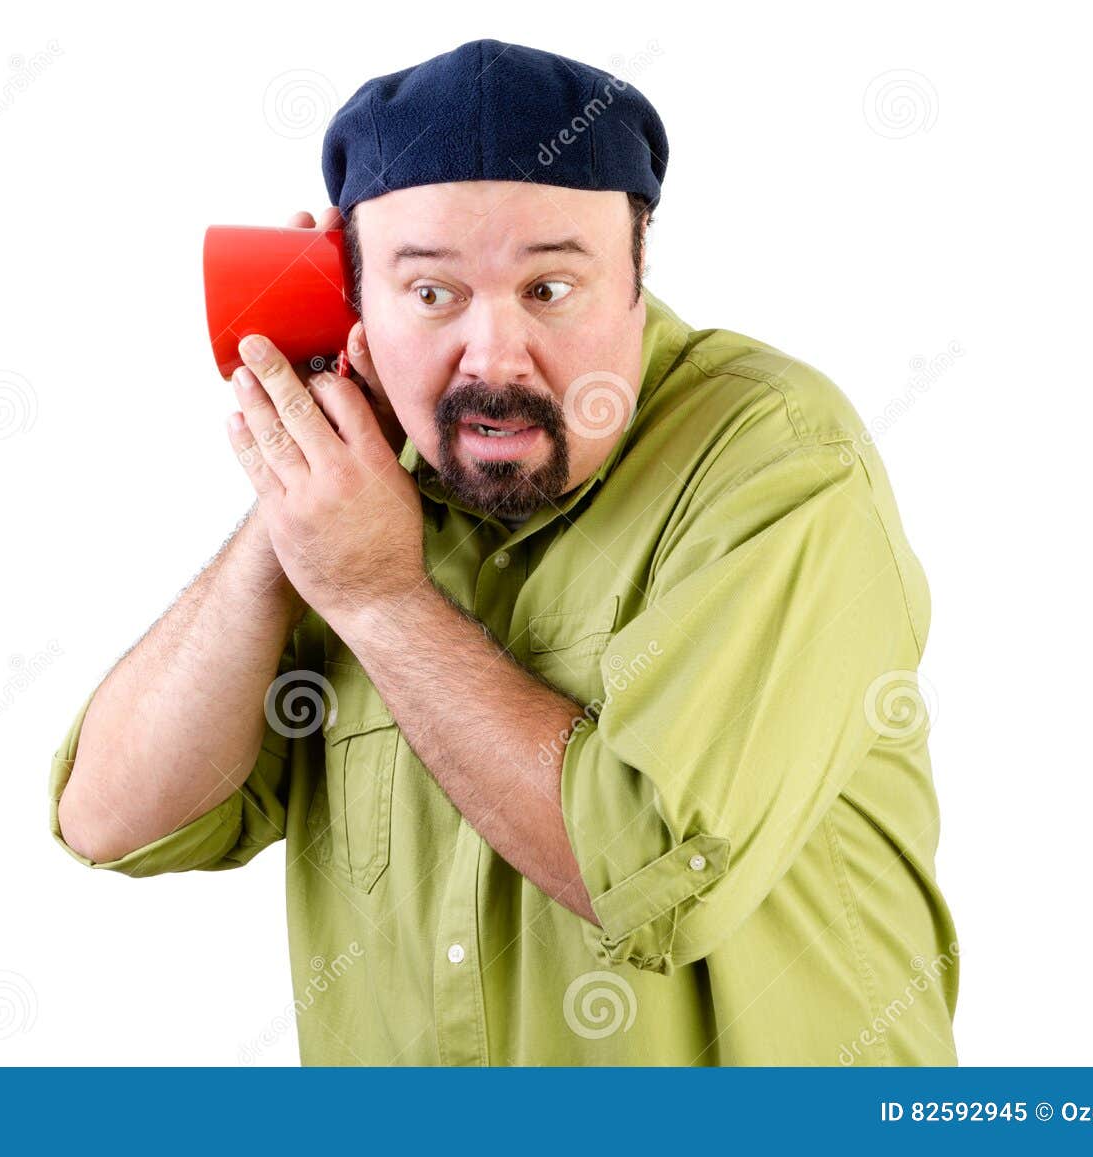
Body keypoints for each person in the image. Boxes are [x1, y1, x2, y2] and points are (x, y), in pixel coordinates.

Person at [49, 38, 959, 1065]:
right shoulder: (364, 500)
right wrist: (298, 491)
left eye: (549, 288)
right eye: (430, 292)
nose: (493, 358)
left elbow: (652, 872)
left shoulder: (780, 461)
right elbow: (110, 818)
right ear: (351, 293)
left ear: (638, 267)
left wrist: (382, 601)